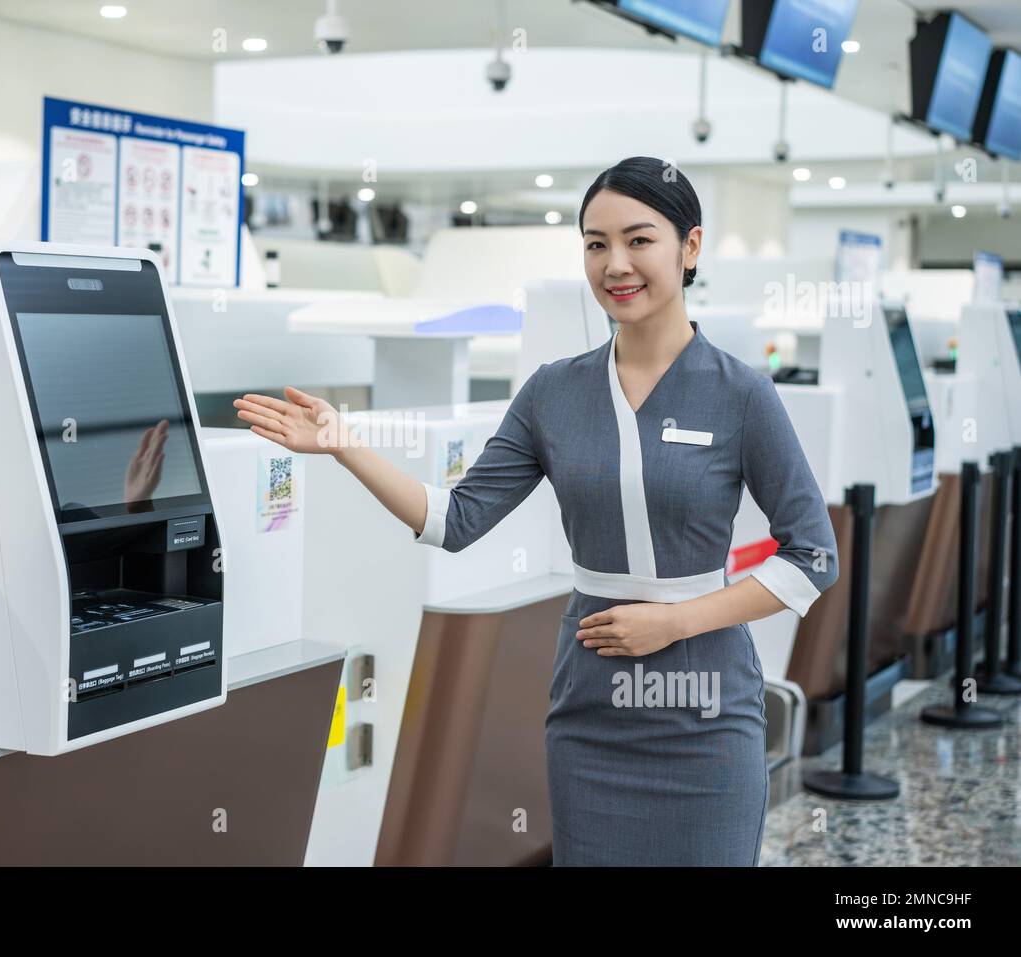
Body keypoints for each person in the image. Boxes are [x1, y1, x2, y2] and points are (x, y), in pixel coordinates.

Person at [232, 155, 839, 866]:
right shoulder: (554, 392)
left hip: (708, 714)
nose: (616, 262)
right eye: (595, 243)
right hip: (592, 715)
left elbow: (813, 556)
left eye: (639, 239)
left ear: (690, 247)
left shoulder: (741, 394)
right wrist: (345, 445)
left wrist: (676, 620)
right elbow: (453, 521)